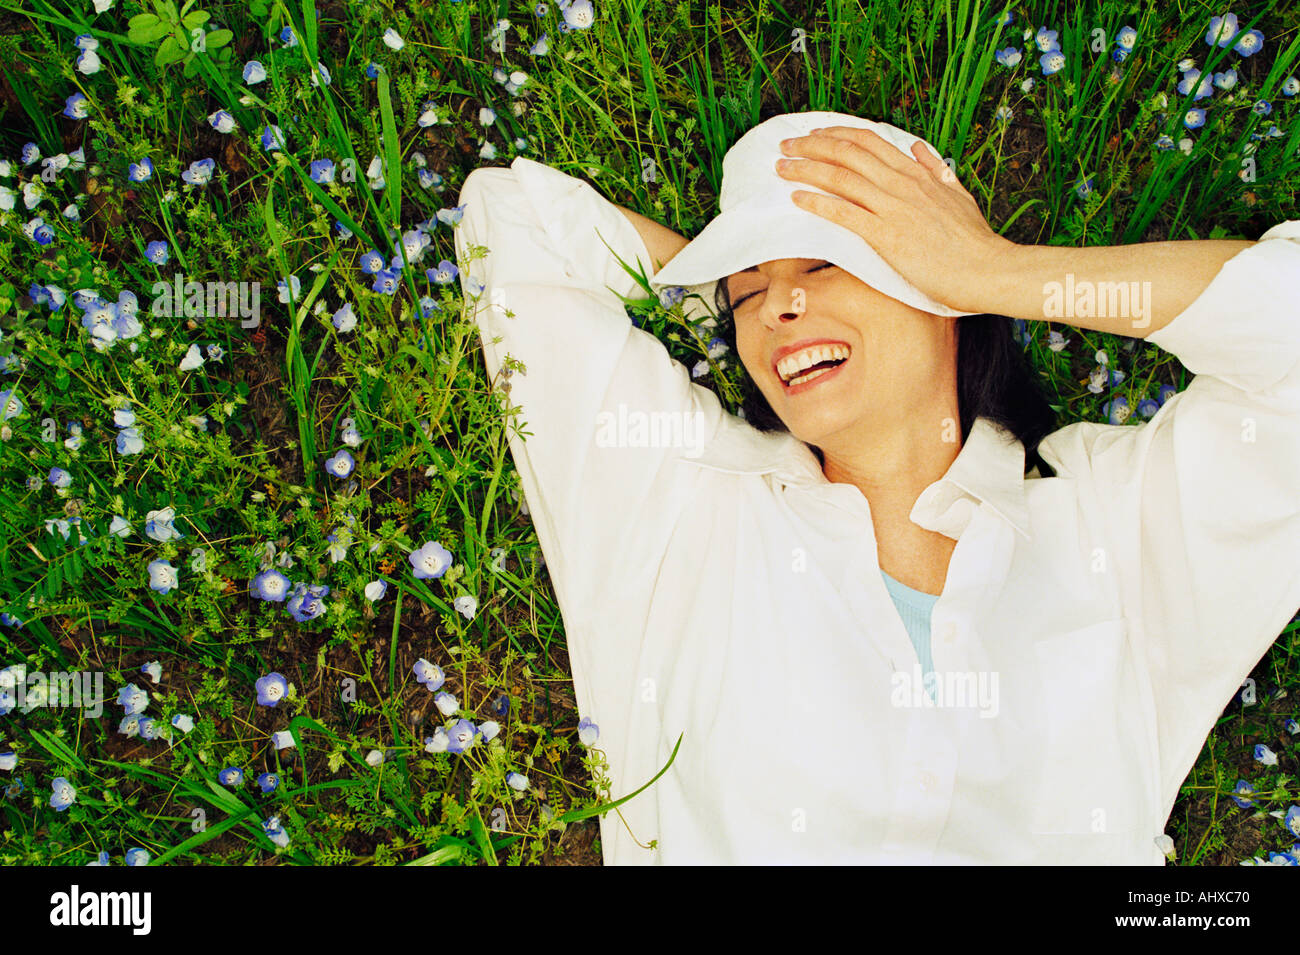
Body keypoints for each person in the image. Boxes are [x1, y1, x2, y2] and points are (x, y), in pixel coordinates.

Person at [452, 110, 1300, 864]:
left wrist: (994, 272)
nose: (779, 300)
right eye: (747, 286)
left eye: (826, 264)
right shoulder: (676, 498)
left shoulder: (1113, 532)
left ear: (940, 289)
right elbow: (515, 226)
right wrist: (722, 304)